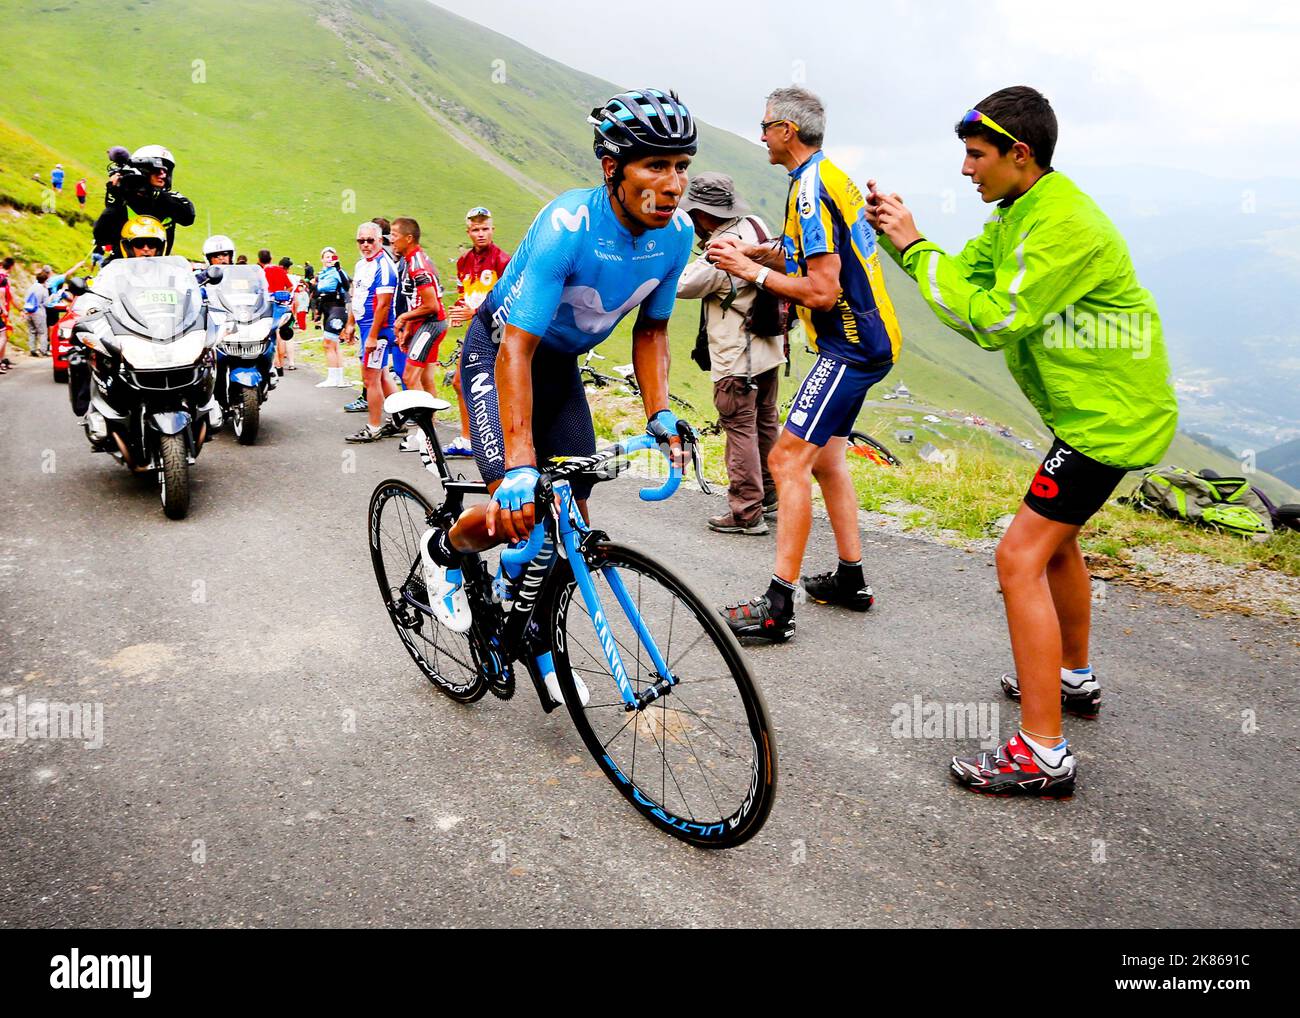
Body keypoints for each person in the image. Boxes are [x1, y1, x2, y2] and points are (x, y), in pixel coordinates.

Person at [868, 87, 1178, 798]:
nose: (966, 170)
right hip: (1093, 415)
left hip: (1112, 420)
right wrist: (905, 243)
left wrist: (915, 247)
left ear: (1020, 153)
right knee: (1056, 542)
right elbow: (965, 290)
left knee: (1018, 557)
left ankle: (1043, 752)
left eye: (976, 156)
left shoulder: (1062, 224)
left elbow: (993, 322)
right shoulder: (1018, 213)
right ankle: (1072, 677)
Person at [416, 88, 697, 651]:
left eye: (682, 166)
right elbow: (515, 350)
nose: (673, 184)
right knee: (517, 510)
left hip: (560, 364)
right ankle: (442, 553)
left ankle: (532, 622)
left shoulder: (679, 235)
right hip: (498, 351)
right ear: (612, 167)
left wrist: (661, 412)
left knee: (575, 511)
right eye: (656, 165)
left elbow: (652, 331)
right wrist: (520, 465)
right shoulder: (567, 225)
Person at [709, 86, 902, 642]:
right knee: (827, 461)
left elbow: (819, 290)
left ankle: (778, 606)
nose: (761, 133)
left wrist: (750, 274)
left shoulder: (810, 190)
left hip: (849, 345)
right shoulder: (823, 176)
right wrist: (750, 254)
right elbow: (802, 255)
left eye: (766, 125)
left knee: (787, 462)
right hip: (872, 339)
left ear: (788, 131)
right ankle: (850, 579)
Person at [676, 172, 784, 535]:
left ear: (703, 215)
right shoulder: (755, 226)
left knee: (738, 429)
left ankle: (745, 511)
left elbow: (683, 285)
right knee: (766, 423)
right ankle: (769, 496)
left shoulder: (719, 250)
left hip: (738, 357)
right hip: (770, 349)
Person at [444, 206, 511, 457]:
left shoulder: (502, 260)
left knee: (499, 385)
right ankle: (467, 440)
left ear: (493, 230)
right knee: (460, 381)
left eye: (485, 229)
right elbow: (466, 294)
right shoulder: (463, 261)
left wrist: (474, 312)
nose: (480, 234)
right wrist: (459, 310)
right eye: (475, 230)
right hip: (476, 327)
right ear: (468, 232)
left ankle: (505, 442)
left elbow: (507, 299)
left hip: (498, 329)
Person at [390, 216, 449, 451]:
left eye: (394, 235)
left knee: (410, 377)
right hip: (426, 324)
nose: (391, 240)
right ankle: (430, 434)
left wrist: (404, 319)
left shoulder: (417, 265)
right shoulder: (409, 259)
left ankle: (424, 436)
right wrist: (408, 329)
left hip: (431, 324)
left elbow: (431, 305)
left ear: (408, 238)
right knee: (425, 379)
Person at [341, 221, 400, 442]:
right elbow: (357, 295)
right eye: (361, 240)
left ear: (380, 240)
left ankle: (374, 426)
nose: (365, 245)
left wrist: (373, 336)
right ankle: (400, 418)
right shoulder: (361, 264)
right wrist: (350, 323)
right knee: (382, 375)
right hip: (364, 325)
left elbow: (383, 305)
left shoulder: (384, 266)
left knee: (370, 378)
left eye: (370, 240)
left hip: (379, 328)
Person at [93, 145, 195, 259]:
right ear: (143, 170)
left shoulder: (171, 199)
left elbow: (188, 218)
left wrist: (156, 194)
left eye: (166, 170)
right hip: (122, 269)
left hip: (160, 269)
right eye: (157, 170)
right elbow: (102, 237)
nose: (163, 175)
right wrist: (113, 201)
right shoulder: (124, 199)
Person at [314, 246, 352, 387]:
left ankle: (333, 377)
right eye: (327, 257)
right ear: (322, 259)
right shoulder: (323, 273)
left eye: (332, 257)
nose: (329, 259)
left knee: (328, 344)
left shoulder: (338, 272)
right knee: (334, 345)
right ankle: (339, 378)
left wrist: (339, 269)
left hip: (337, 308)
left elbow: (346, 285)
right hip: (326, 309)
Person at [258, 250, 293, 375]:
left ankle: (273, 362)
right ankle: (280, 365)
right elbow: (290, 286)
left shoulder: (261, 272)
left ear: (260, 260)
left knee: (267, 334)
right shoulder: (280, 270)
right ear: (271, 258)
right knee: (280, 335)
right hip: (280, 304)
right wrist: (284, 293)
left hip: (266, 306)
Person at [23, 268, 51, 357]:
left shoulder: (31, 287)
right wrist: (52, 298)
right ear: (45, 280)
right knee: (42, 332)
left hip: (28, 311)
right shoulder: (44, 290)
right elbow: (46, 303)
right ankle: (43, 350)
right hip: (39, 312)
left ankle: (32, 350)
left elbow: (25, 299)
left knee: (32, 331)